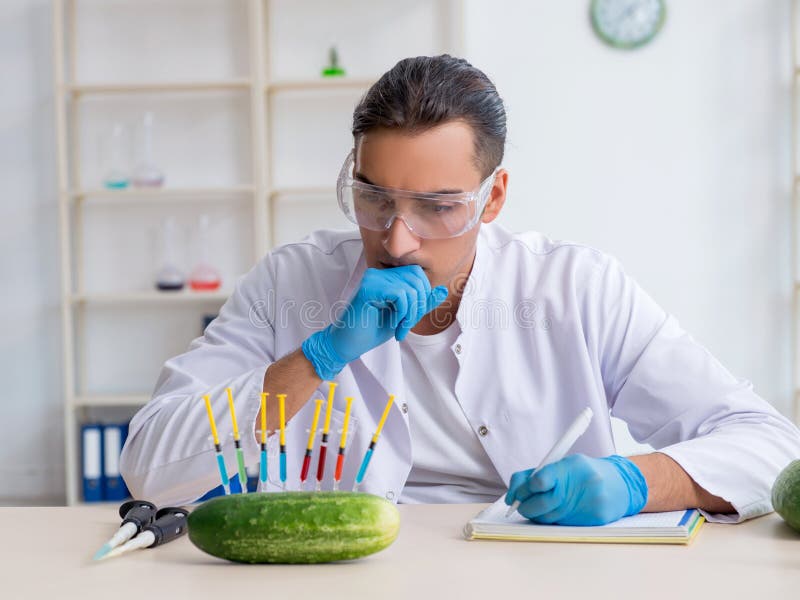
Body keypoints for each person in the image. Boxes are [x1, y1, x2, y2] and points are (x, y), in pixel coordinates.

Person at [120, 55, 800, 525]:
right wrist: (316, 359)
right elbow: (150, 469)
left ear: (493, 197)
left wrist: (635, 482)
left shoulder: (575, 288)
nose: (397, 239)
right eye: (372, 198)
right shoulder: (290, 282)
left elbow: (770, 444)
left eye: (439, 207)